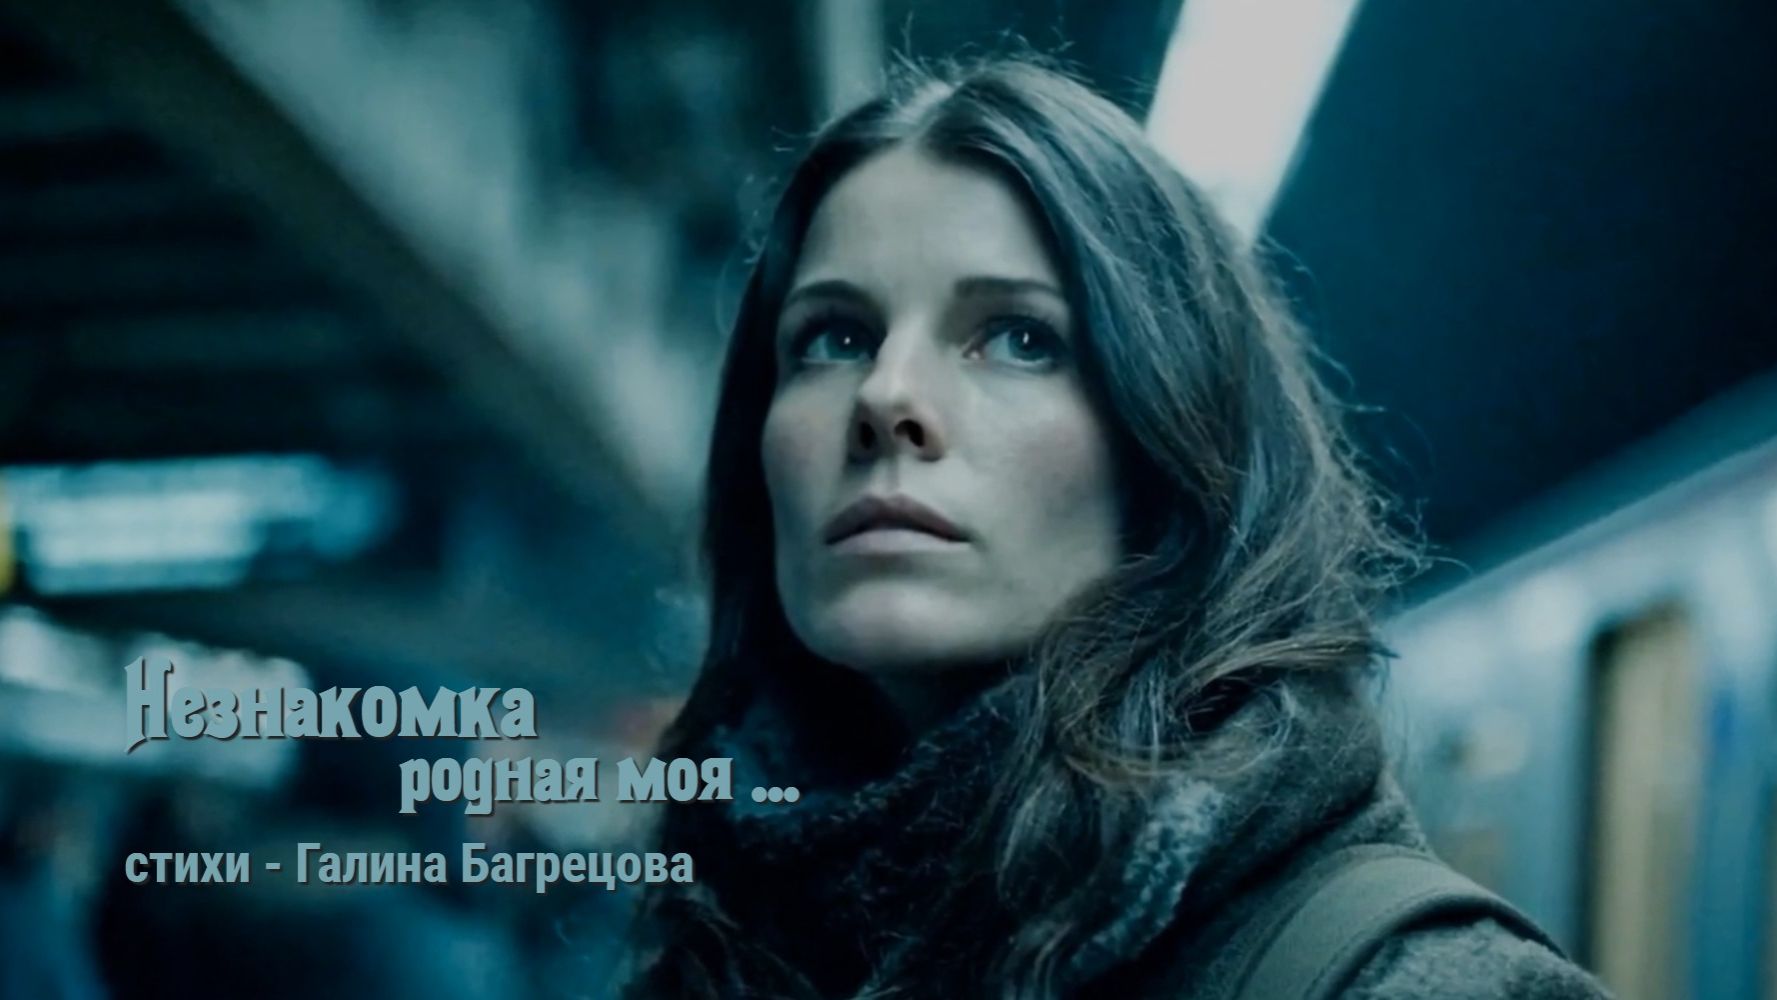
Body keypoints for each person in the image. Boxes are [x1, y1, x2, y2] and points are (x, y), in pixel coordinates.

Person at [618, 54, 1611, 999]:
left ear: (1171, 442)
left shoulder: (1428, 983)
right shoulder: (712, 945)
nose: (884, 396)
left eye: (1018, 338)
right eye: (835, 337)